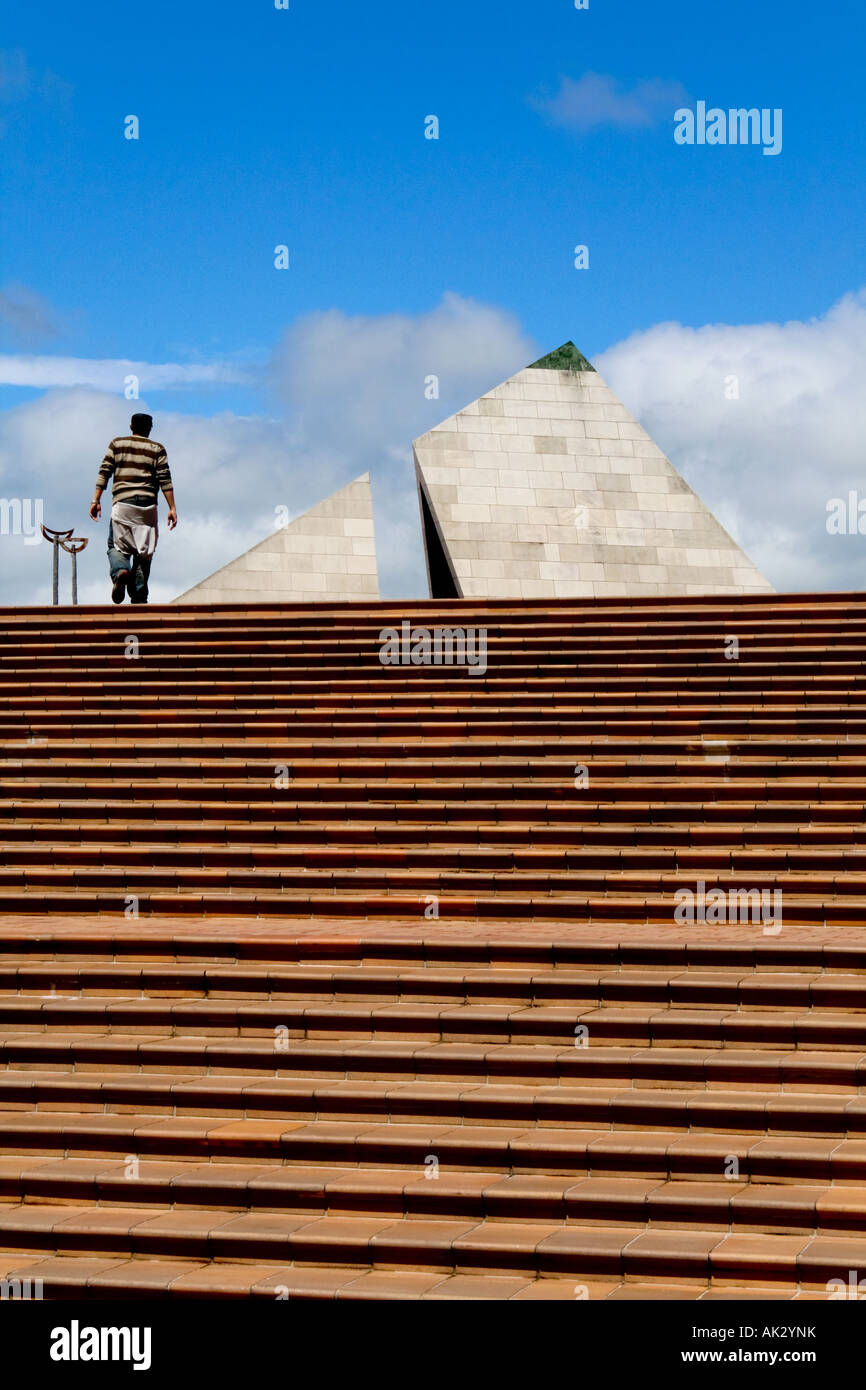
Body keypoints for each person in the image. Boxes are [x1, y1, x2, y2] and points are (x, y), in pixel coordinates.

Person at [89, 413, 177, 604]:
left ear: (130, 426)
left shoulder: (117, 444)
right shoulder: (157, 449)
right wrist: (172, 508)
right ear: (150, 428)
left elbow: (104, 471)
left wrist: (95, 500)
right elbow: (165, 479)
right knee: (143, 553)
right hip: (147, 507)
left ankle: (121, 570)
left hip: (123, 503)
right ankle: (138, 595)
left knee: (116, 546)